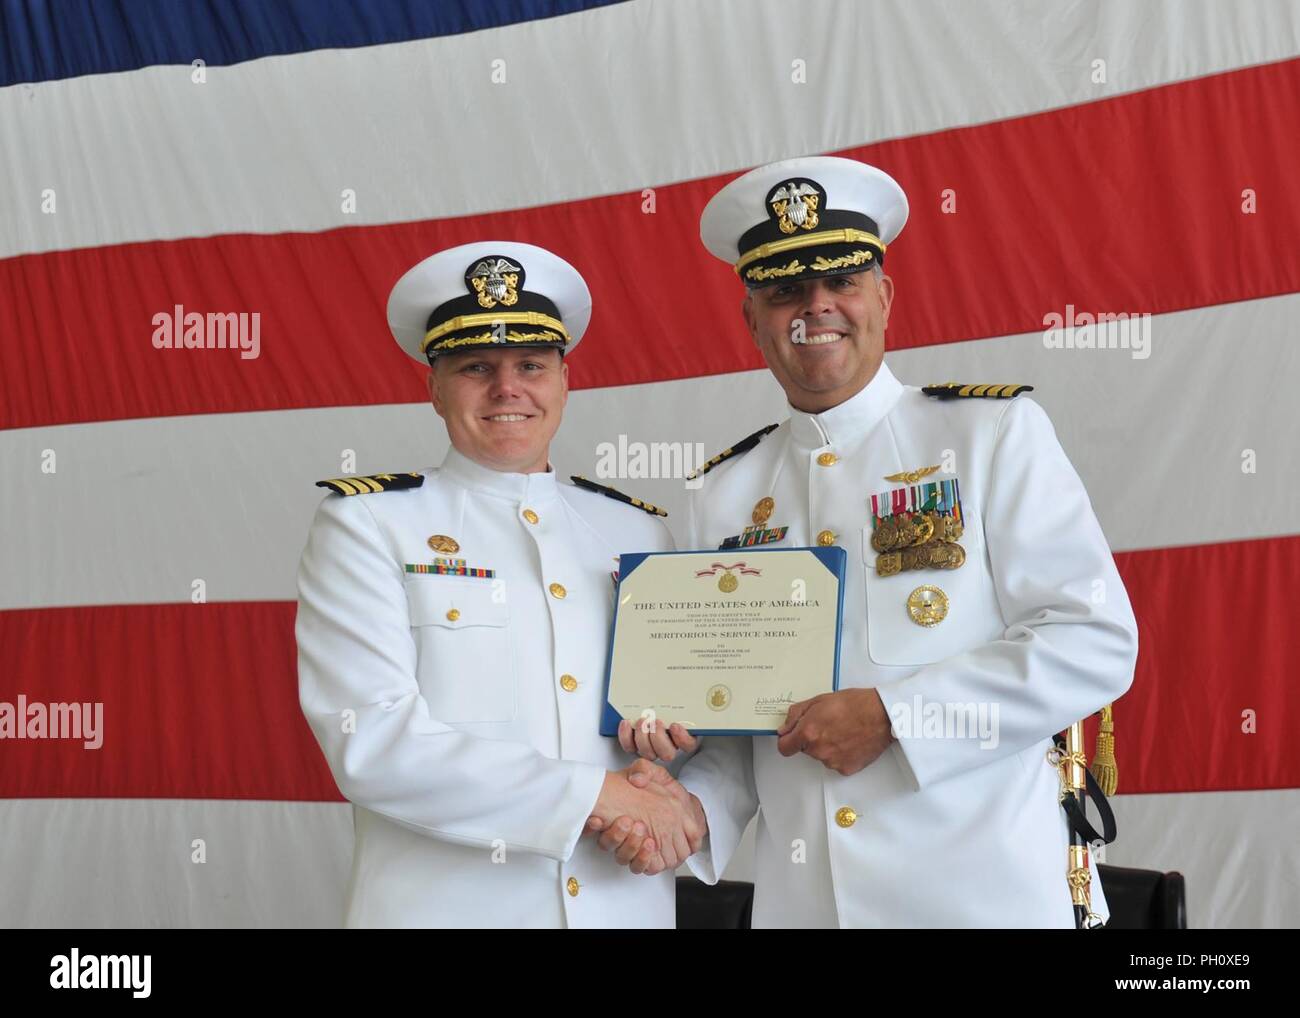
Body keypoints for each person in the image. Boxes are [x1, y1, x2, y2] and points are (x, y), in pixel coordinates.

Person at [598, 156, 1139, 928]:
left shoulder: (988, 434)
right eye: (784, 289)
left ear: (882, 296)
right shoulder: (716, 496)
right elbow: (740, 741)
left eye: (841, 282)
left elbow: (1094, 642)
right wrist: (689, 809)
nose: (815, 307)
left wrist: (894, 715)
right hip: (807, 907)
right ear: (751, 317)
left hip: (982, 903)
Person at [295, 240, 704, 928]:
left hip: (620, 904)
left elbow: (689, 726)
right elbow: (374, 742)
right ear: (433, 387)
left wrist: (675, 767)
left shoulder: (638, 534)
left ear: (565, 382)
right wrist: (600, 797)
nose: (506, 389)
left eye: (531, 366)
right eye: (476, 366)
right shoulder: (367, 524)